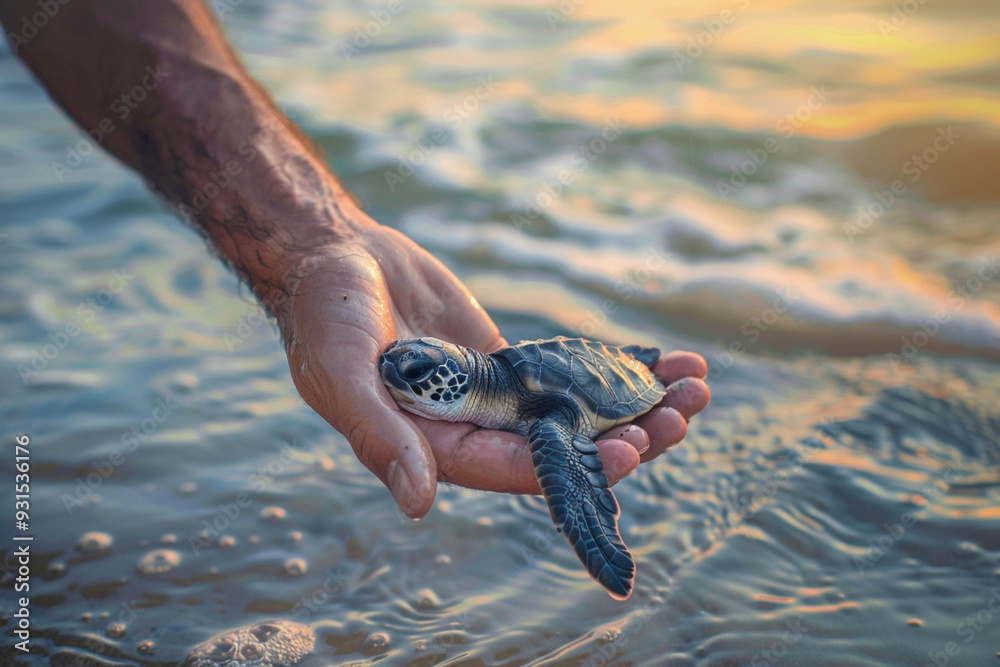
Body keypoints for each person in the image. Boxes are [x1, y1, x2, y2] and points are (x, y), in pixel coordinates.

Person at [1, 0, 710, 519]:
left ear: (457, 383)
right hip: (559, 369)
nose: (395, 374)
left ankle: (631, 403)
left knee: (570, 463)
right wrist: (317, 249)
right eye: (402, 367)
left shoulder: (537, 406)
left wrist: (318, 235)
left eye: (414, 375)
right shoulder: (506, 391)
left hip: (603, 378)